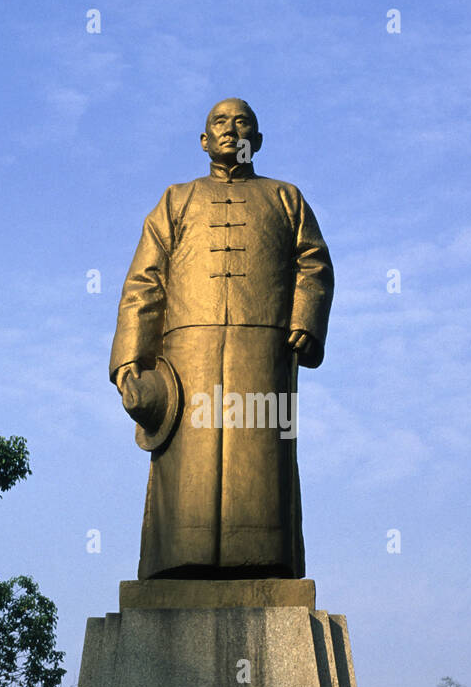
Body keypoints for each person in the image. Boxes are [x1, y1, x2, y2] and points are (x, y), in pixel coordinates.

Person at [110, 98, 334, 579]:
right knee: (187, 468)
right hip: (187, 357)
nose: (231, 129)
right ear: (203, 140)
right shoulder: (176, 200)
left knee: (262, 463)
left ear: (259, 139)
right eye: (220, 122)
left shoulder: (285, 197)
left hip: (264, 353)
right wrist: (129, 361)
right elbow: (144, 283)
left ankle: (265, 563)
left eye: (242, 122)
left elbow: (313, 262)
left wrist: (304, 319)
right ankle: (178, 562)